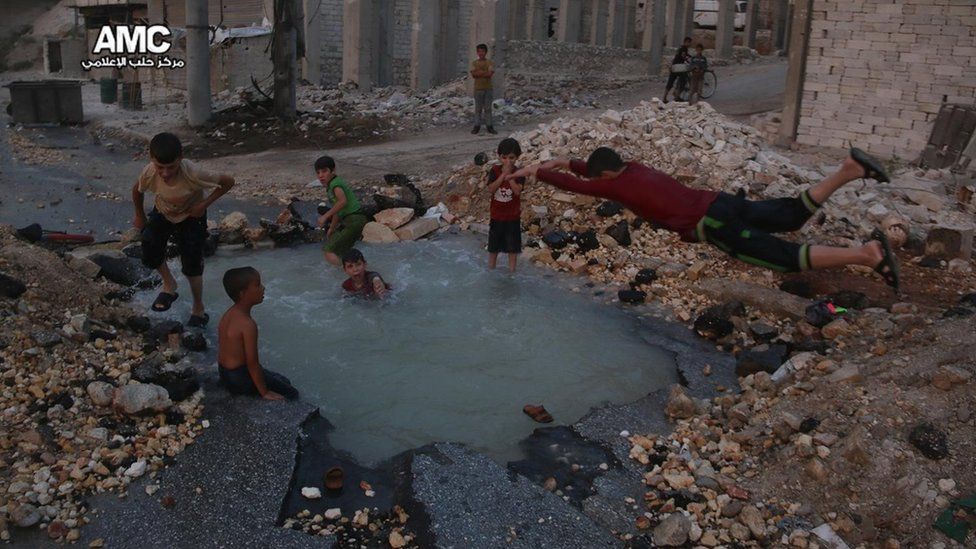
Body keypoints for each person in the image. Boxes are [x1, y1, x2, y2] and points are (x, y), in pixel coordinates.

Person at [505, 147, 901, 291]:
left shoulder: (616, 188)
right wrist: (568, 161)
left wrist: (540, 171)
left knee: (782, 256)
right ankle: (849, 170)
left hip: (713, 224)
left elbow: (583, 186)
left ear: (606, 176)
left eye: (596, 175)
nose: (596, 179)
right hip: (721, 201)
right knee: (789, 213)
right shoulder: (633, 168)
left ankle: (867, 255)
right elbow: (594, 172)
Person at [132, 132, 234, 327]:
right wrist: (140, 215)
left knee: (192, 263)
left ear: (181, 158)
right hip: (163, 211)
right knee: (149, 244)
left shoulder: (194, 173)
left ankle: (198, 307)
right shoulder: (149, 172)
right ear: (151, 159)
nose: (165, 173)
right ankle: (169, 284)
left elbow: (228, 182)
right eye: (160, 167)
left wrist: (203, 205)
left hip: (191, 216)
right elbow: (137, 191)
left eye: (171, 167)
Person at [217, 266, 299, 400]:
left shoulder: (228, 314)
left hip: (225, 374)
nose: (263, 288)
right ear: (243, 293)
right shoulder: (247, 324)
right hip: (239, 379)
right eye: (258, 285)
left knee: (283, 380)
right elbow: (252, 363)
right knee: (292, 393)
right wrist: (265, 392)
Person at [314, 155, 368, 266]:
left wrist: (325, 216)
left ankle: (344, 274)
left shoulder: (335, 184)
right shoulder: (331, 185)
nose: (321, 176)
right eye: (318, 172)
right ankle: (361, 271)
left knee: (328, 251)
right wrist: (332, 228)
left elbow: (342, 202)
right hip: (353, 220)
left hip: (354, 220)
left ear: (333, 170)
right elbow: (338, 210)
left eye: (324, 171)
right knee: (341, 253)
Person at [487, 138, 526, 272]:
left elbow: (517, 191)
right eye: (504, 158)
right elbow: (491, 189)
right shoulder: (494, 170)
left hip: (512, 217)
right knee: (493, 249)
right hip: (497, 216)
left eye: (511, 158)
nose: (508, 161)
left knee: (512, 250)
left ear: (517, 157)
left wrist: (509, 177)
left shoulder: (519, 173)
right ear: (499, 156)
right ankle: (491, 271)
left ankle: (512, 273)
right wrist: (503, 175)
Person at [470, 43, 497, 135]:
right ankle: (476, 126)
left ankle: (489, 126)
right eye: (479, 51)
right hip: (478, 89)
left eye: (483, 51)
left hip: (488, 88)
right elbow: (473, 74)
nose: (481, 53)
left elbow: (490, 74)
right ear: (477, 52)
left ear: (486, 52)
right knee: (478, 109)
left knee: (488, 108)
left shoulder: (489, 62)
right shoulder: (474, 63)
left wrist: (480, 73)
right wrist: (484, 73)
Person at [663, 36, 692, 103]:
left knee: (670, 82)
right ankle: (677, 95)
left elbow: (684, 55)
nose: (690, 44)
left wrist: (690, 57)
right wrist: (689, 61)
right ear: (686, 42)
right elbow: (683, 56)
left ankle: (664, 97)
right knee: (684, 80)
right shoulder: (684, 49)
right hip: (679, 68)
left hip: (674, 66)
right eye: (689, 43)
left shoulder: (680, 48)